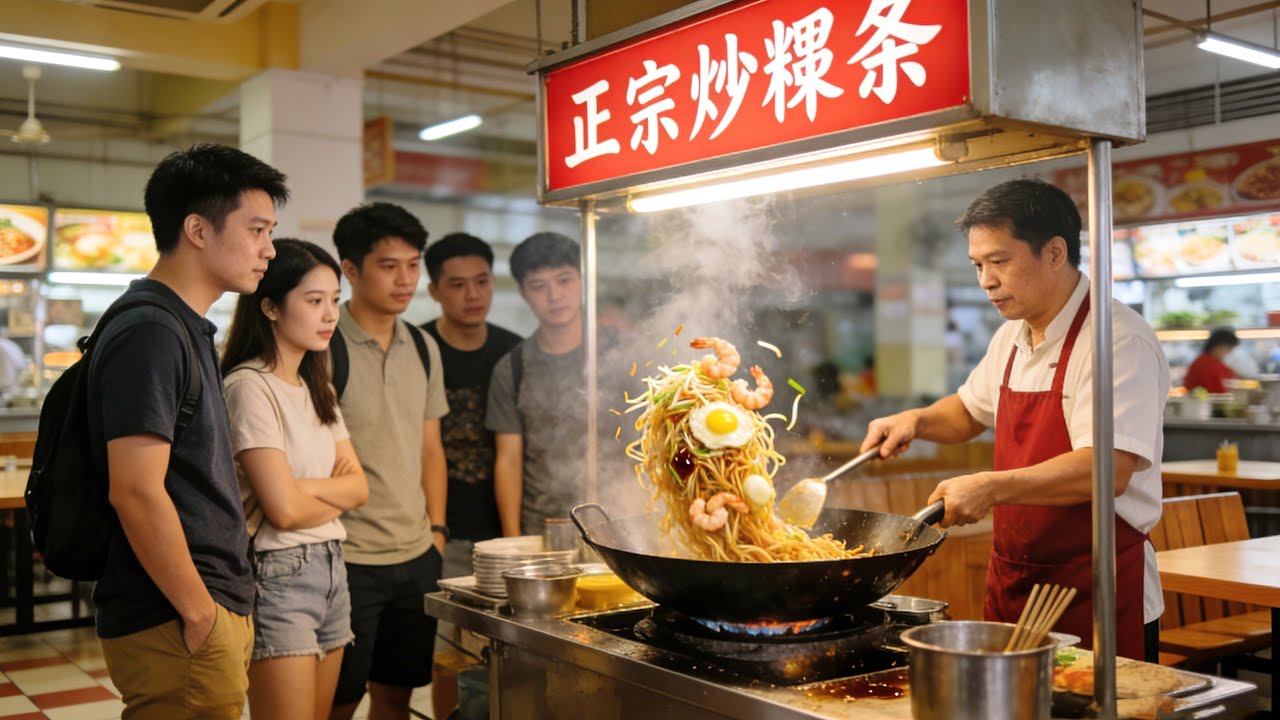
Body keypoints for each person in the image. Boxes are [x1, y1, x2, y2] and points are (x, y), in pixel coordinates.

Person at [860, 179, 1168, 661]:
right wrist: (916, 420)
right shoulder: (1012, 337)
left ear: (1053, 252)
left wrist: (989, 486)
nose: (985, 280)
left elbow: (1107, 469)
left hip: (1098, 590)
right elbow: (967, 411)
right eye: (978, 265)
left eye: (999, 261)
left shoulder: (1116, 341)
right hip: (1017, 585)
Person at [88, 143, 288, 718]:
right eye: (256, 230)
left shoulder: (181, 325)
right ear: (197, 229)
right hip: (176, 615)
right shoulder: (151, 331)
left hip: (199, 608)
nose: (268, 250)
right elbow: (135, 489)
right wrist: (200, 612)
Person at [222, 239, 368, 720]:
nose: (330, 315)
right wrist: (324, 490)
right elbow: (282, 511)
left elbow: (359, 488)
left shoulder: (316, 383)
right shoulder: (249, 385)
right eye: (313, 300)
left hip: (331, 566)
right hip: (278, 571)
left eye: (334, 300)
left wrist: (299, 487)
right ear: (269, 306)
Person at [328, 203, 449, 720]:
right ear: (350, 270)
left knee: (396, 697)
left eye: (412, 264)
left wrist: (437, 534)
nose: (405, 280)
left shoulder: (422, 345)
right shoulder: (323, 345)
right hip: (349, 557)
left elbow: (430, 447)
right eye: (388, 265)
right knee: (338, 699)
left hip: (417, 552)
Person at [420, 232, 521, 716]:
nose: (473, 294)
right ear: (435, 289)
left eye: (482, 282)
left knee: (508, 660)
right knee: (448, 660)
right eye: (457, 285)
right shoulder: (418, 349)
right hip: (443, 534)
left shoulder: (513, 353)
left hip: (506, 534)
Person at [487, 232, 591, 537]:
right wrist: (512, 540)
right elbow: (508, 460)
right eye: (539, 286)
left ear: (583, 281)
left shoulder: (619, 353)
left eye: (564, 280)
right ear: (522, 292)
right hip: (543, 527)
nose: (554, 296)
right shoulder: (512, 369)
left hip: (618, 517)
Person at [1183, 328, 1239, 394]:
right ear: (1219, 346)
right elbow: (1218, 392)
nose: (1229, 352)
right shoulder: (1206, 364)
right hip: (1203, 403)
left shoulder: (1210, 361)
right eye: (1228, 349)